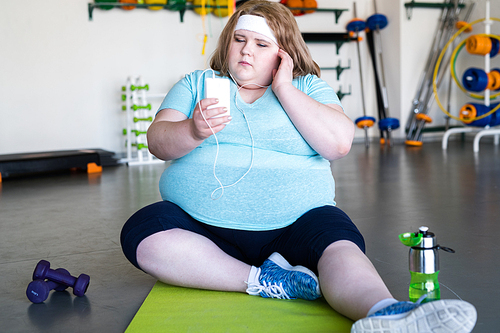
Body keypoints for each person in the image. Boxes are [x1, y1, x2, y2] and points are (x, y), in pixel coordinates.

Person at [120, 1, 476, 331]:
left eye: (261, 44)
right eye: (239, 39)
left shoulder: (309, 87)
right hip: (202, 230)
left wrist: (286, 88)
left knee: (339, 246)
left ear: (283, 53)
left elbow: (339, 144)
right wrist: (192, 129)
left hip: (298, 223)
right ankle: (264, 279)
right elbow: (157, 142)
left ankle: (387, 313)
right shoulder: (196, 84)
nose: (246, 50)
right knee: (143, 233)